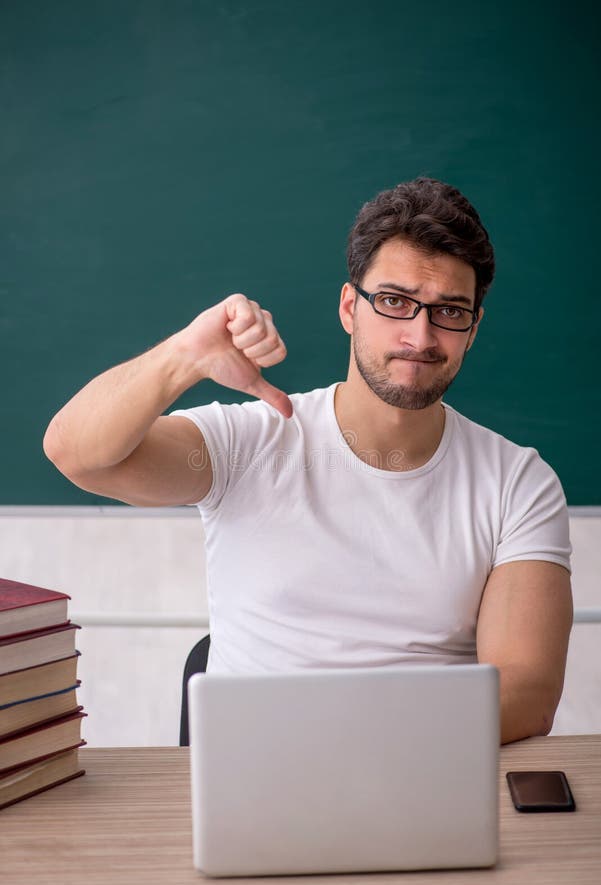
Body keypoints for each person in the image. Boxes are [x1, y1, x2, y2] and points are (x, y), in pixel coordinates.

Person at [43, 176, 573, 744]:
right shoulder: (248, 443)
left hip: (426, 779)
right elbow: (78, 456)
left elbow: (527, 692)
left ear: (474, 329)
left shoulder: (517, 482)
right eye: (395, 302)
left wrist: (348, 742)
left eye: (449, 312)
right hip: (252, 781)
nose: (420, 336)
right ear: (350, 307)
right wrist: (184, 357)